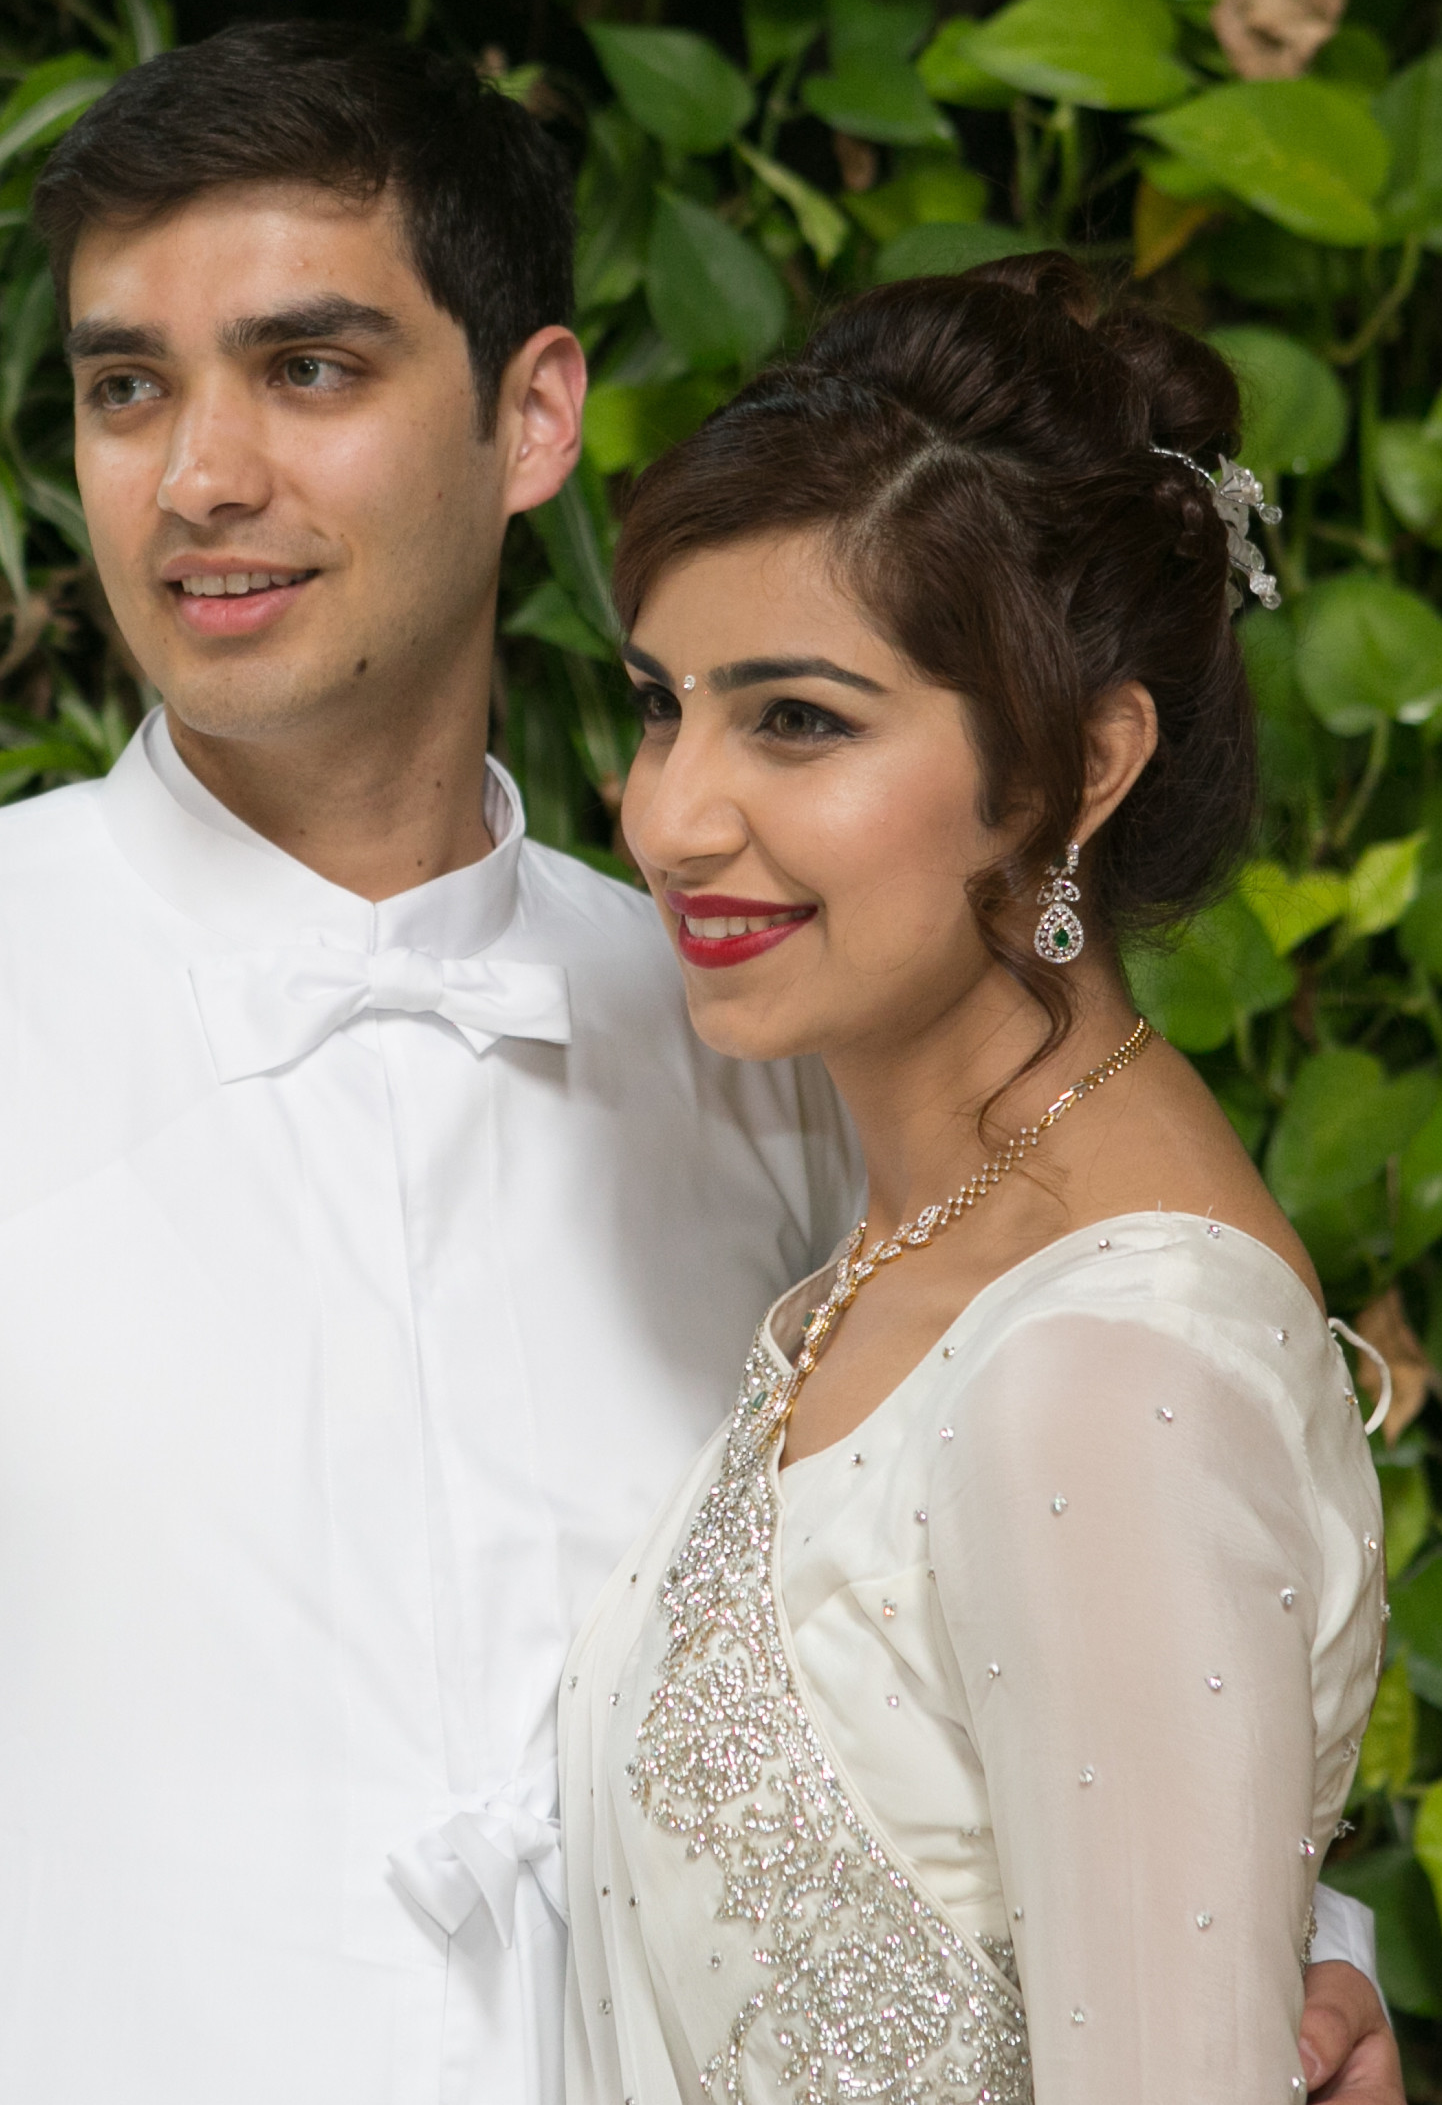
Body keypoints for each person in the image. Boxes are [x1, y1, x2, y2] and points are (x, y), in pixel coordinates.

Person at [0, 23, 1397, 2103]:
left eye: (304, 367)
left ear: (531, 415)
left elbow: (1020, 1630)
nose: (197, 475)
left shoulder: (749, 1036)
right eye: (124, 384)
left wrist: (1274, 1972)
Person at [559, 255, 1389, 2105]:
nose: (670, 813)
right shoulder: (909, 1238)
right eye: (657, 705)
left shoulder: (1103, 1375)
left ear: (1077, 767)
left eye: (797, 720)